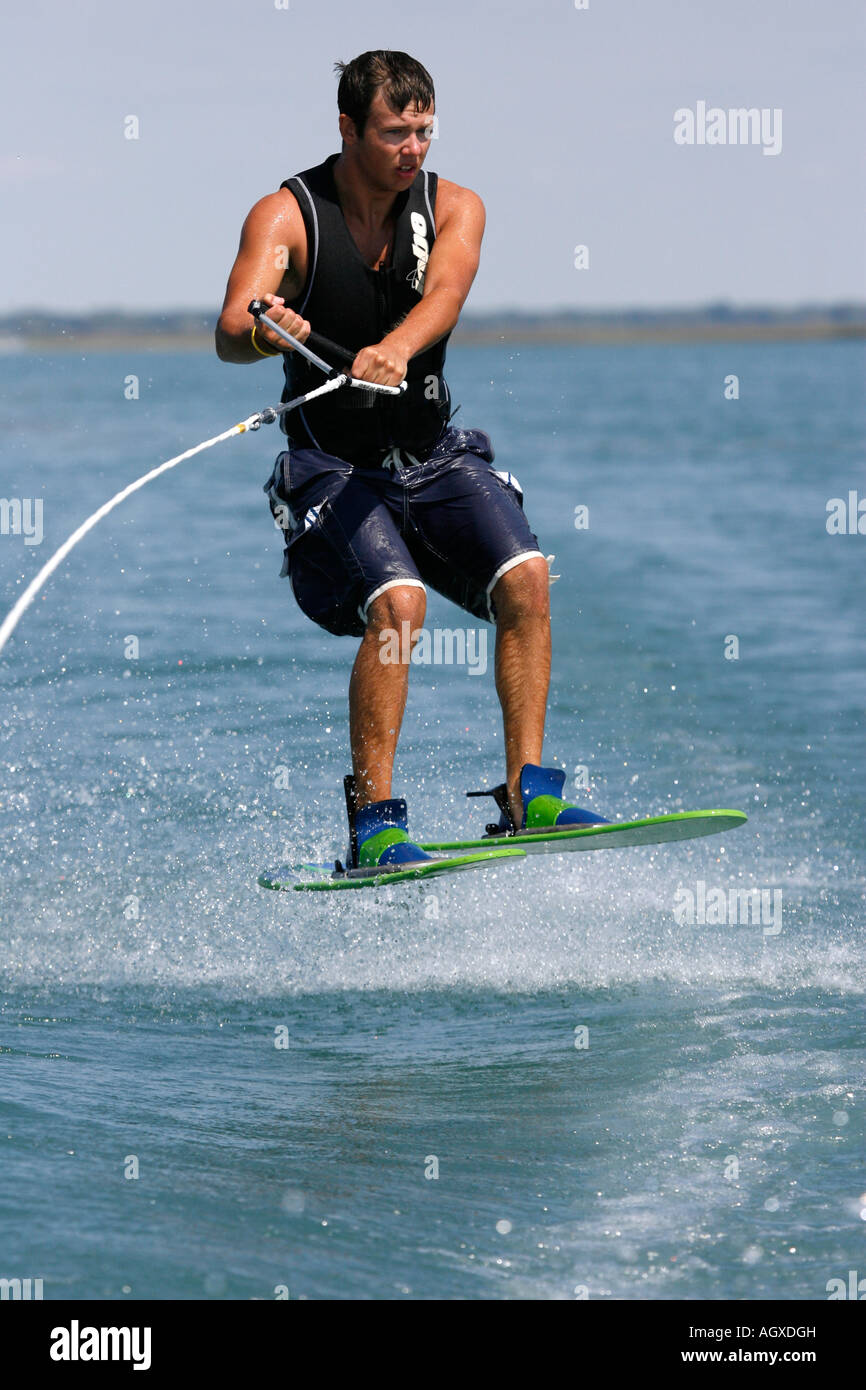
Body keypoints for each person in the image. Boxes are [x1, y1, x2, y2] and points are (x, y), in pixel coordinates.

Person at [216, 50, 606, 869]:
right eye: (397, 133)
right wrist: (268, 327)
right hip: (332, 469)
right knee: (399, 606)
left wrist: (392, 349)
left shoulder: (456, 207)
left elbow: (446, 296)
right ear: (349, 127)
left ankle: (529, 792)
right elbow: (230, 330)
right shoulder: (286, 216)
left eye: (425, 132)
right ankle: (375, 824)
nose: (415, 150)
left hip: (430, 456)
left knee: (527, 577)